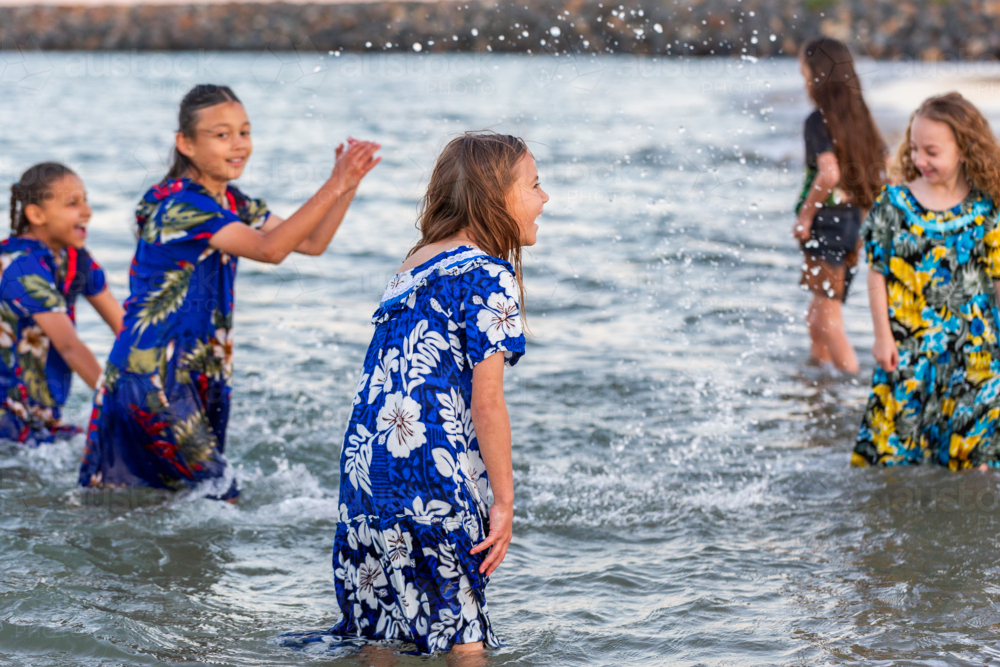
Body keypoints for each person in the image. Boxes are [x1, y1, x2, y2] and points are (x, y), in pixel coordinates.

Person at [78, 84, 380, 498]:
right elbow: (270, 250)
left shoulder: (231, 202)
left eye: (245, 132)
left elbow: (310, 244)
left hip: (195, 368)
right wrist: (334, 181)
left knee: (148, 499)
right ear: (184, 143)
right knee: (222, 492)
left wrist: (348, 184)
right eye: (221, 135)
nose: (238, 145)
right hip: (154, 374)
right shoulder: (182, 206)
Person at [311, 132, 545, 656]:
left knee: (380, 628)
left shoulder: (414, 262)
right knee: (465, 638)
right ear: (496, 198)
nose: (545, 199)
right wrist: (504, 502)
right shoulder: (488, 273)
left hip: (364, 471)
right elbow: (487, 402)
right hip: (429, 470)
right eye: (535, 185)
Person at [854, 92, 1000, 469]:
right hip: (907, 350)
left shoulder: (988, 208)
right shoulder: (894, 203)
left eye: (932, 152)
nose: (919, 160)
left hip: (975, 353)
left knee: (977, 462)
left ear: (965, 149)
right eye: (915, 148)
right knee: (891, 462)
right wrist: (882, 335)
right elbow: (876, 270)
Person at [3, 162, 123, 444]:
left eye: (86, 200)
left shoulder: (75, 260)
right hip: (6, 414)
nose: (87, 212)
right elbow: (70, 347)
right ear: (36, 214)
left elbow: (124, 328)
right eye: (72, 203)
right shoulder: (19, 266)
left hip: (44, 414)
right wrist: (117, 404)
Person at [794, 37, 887, 373]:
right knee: (817, 316)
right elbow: (881, 170)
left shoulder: (817, 121)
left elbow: (829, 173)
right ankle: (820, 385)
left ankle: (849, 390)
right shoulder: (860, 119)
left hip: (827, 228)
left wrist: (805, 217)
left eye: (804, 72)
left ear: (817, 75)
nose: (803, 80)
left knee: (829, 318)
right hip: (852, 226)